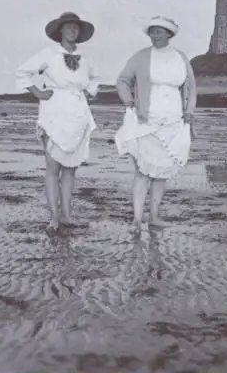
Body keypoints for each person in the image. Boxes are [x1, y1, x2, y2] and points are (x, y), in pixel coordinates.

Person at [15, 12, 101, 236]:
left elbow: (95, 79)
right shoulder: (49, 53)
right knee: (53, 168)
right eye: (68, 27)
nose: (73, 31)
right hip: (54, 111)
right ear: (60, 31)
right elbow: (22, 72)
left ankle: (67, 215)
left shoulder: (86, 58)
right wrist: (38, 93)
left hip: (79, 112)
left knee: (71, 168)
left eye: (76, 28)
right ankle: (54, 216)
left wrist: (91, 91)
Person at [115, 15, 197, 230]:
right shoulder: (140, 57)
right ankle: (136, 218)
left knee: (162, 171)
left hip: (173, 120)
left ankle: (154, 216)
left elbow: (190, 87)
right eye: (152, 31)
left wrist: (189, 111)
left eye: (159, 31)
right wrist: (130, 101)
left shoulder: (181, 57)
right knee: (142, 169)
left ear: (169, 34)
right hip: (146, 119)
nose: (155, 35)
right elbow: (123, 80)